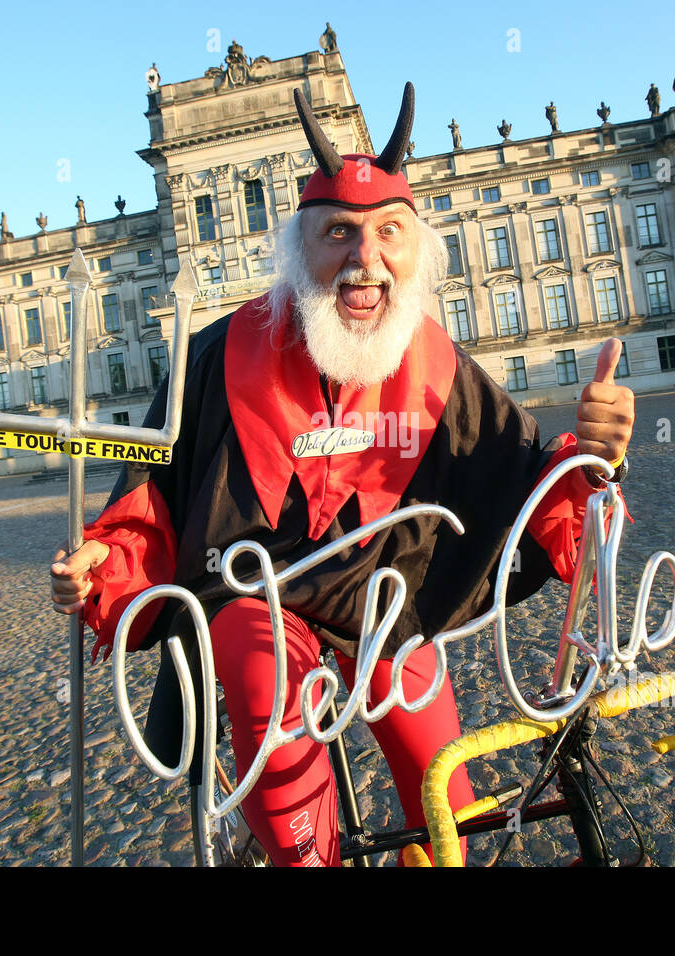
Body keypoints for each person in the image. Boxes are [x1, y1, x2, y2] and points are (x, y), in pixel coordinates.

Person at [49, 81, 634, 866]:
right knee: (268, 702)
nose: (364, 260)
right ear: (298, 248)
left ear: (415, 248)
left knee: (443, 788)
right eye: (337, 233)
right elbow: (155, 488)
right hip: (257, 594)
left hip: (387, 594)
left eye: (388, 231)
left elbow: (527, 484)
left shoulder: (438, 366)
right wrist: (106, 559)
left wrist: (594, 458)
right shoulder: (216, 356)